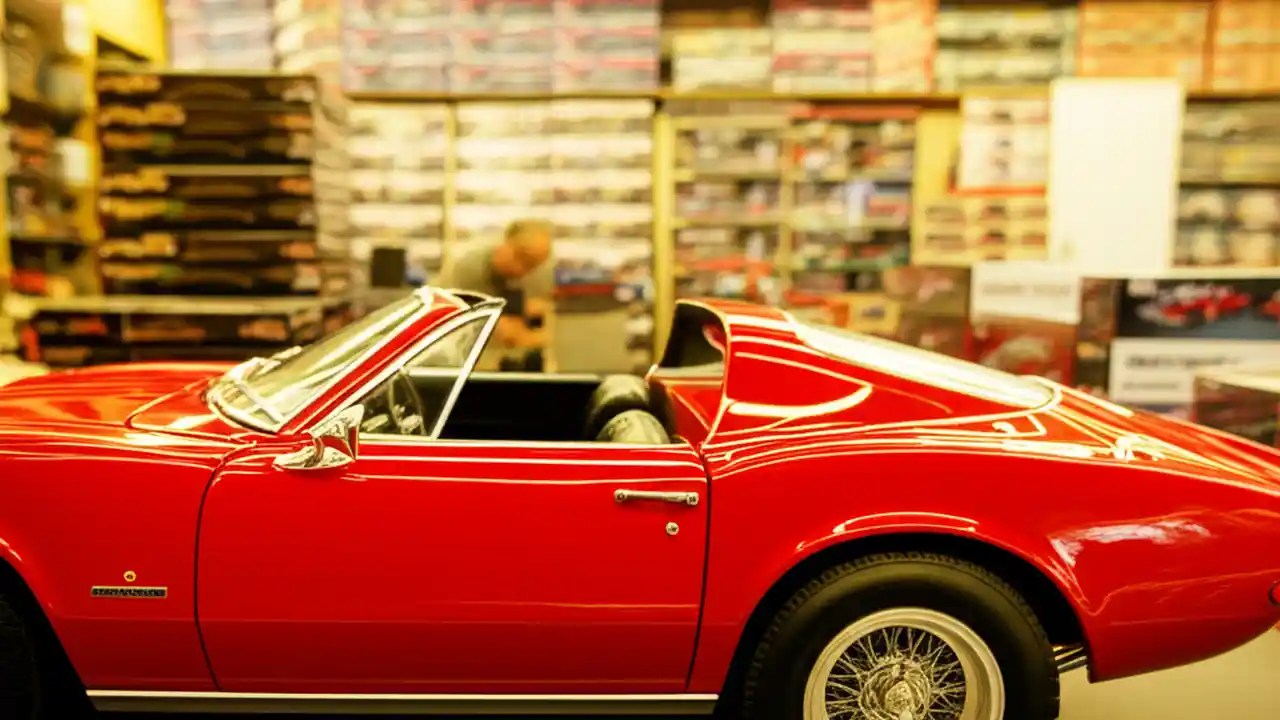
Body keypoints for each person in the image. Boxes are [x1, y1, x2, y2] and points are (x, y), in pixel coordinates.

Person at [439, 219, 556, 372]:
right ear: (505, 242)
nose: (523, 270)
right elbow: (449, 322)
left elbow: (545, 333)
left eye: (533, 265)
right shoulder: (467, 269)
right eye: (521, 257)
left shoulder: (538, 276)